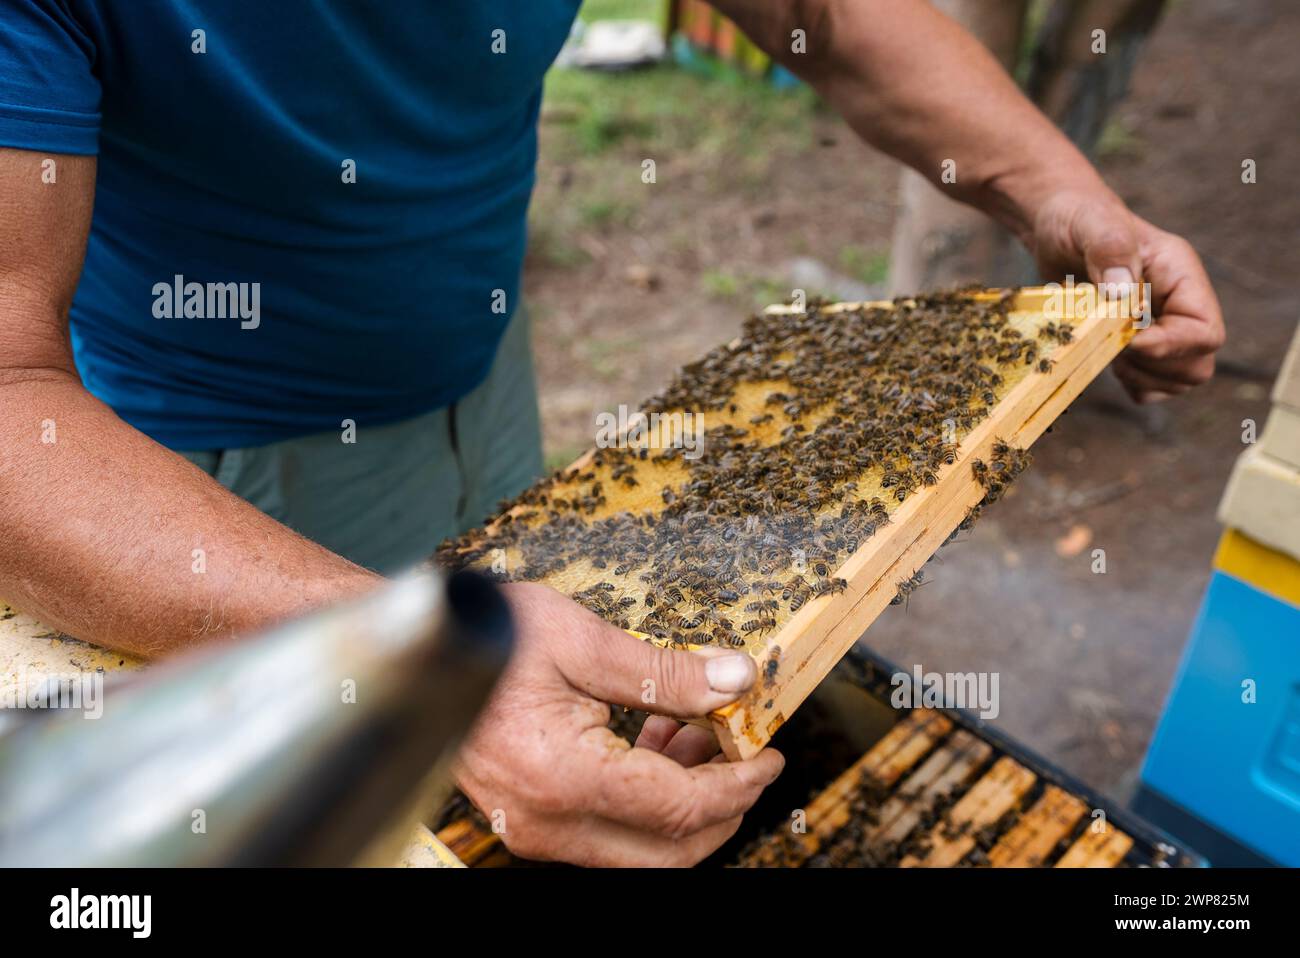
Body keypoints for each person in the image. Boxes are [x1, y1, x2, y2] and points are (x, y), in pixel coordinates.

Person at [0, 0, 1222, 866]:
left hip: (486, 378)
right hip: (195, 493)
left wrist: (1054, 193)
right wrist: (413, 659)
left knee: (572, 748)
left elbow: (823, 14)